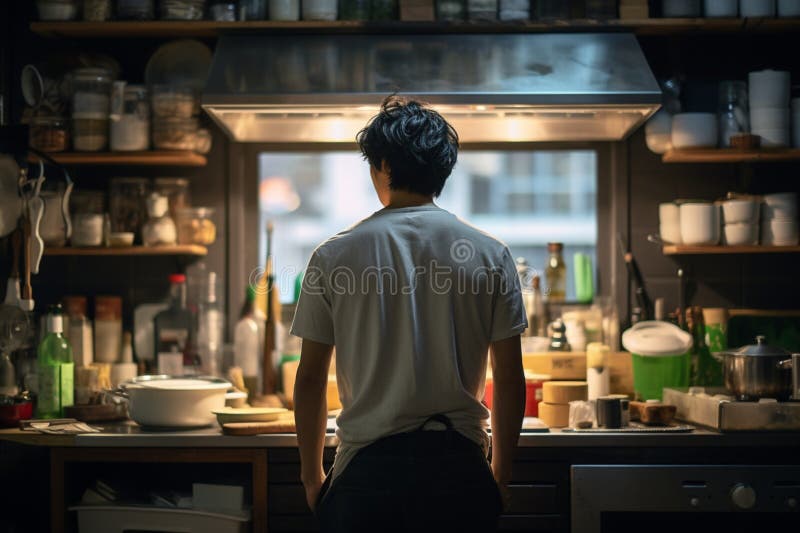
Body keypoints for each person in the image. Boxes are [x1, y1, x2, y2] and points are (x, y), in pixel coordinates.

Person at [291, 95, 527, 533]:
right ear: (443, 170)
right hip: (460, 474)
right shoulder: (491, 254)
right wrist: (500, 475)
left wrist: (312, 477)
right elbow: (511, 379)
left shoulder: (333, 256)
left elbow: (308, 380)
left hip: (365, 474)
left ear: (381, 165)